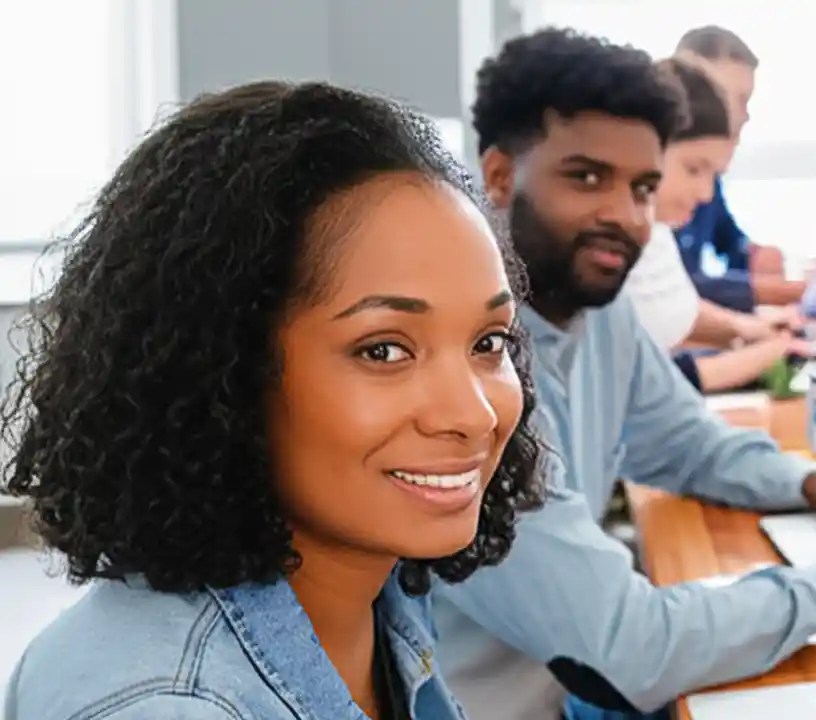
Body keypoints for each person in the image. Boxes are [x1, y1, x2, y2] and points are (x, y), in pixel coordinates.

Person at [432, 28, 816, 720]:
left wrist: (810, 485)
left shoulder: (598, 310)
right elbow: (626, 649)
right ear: (498, 176)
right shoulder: (460, 379)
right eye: (586, 178)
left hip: (561, 683)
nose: (624, 217)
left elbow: (685, 441)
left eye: (641, 188)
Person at [1, 82, 545, 719]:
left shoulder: (373, 599)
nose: (474, 413)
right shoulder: (172, 707)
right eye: (384, 350)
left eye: (488, 341)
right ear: (222, 370)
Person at [626, 57, 808, 393]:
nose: (707, 194)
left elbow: (675, 306)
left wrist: (752, 329)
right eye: (694, 169)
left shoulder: (658, 231)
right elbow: (645, 388)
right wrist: (770, 353)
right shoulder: (613, 247)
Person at [672, 26, 807, 311]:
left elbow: (728, 240)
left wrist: (753, 253)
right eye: (738, 99)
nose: (745, 116)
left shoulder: (707, 175)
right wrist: (772, 291)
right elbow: (673, 289)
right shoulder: (659, 178)